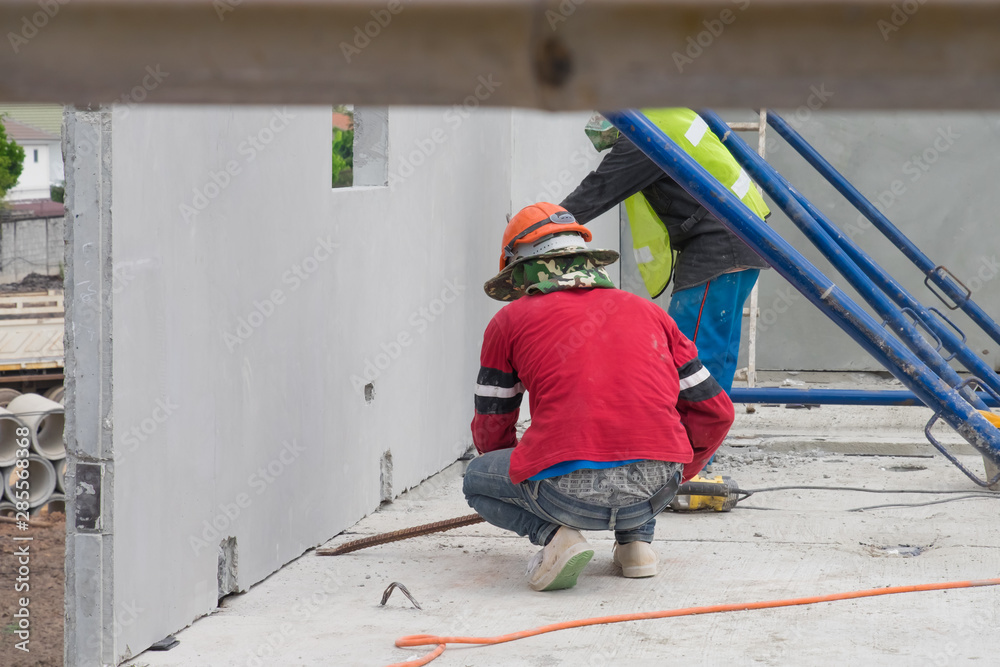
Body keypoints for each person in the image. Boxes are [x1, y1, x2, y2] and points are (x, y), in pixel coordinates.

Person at [463, 202, 735, 592]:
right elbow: (717, 412)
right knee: (644, 442)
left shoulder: (508, 321)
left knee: (475, 479)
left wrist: (523, 476)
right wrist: (682, 471)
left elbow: (492, 429)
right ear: (590, 261)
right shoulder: (651, 313)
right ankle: (637, 546)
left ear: (519, 271)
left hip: (562, 496)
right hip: (655, 492)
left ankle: (557, 538)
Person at [561, 108, 770, 394]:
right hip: (745, 237)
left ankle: (683, 435)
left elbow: (599, 189)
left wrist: (545, 222)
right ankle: (704, 433)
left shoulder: (645, 133)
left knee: (686, 353)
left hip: (718, 245)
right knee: (716, 352)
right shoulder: (670, 114)